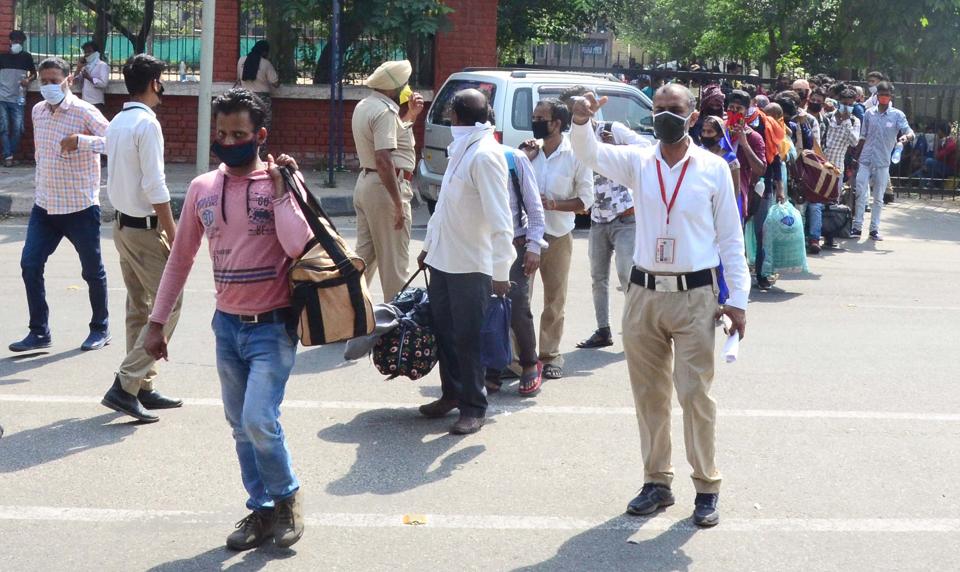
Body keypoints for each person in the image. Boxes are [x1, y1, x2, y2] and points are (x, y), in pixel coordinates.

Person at [569, 84, 749, 528]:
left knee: (694, 394)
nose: (666, 115)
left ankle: (706, 486)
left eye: (675, 108)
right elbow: (589, 153)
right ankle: (656, 481)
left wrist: (738, 300)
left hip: (695, 296)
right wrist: (581, 120)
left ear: (693, 116)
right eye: (660, 109)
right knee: (649, 395)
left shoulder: (713, 168)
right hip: (643, 294)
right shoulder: (639, 161)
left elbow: (730, 238)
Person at [144, 89, 312, 551]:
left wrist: (282, 191)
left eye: (239, 134)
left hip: (273, 326)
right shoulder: (202, 189)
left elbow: (297, 245)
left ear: (260, 135)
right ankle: (261, 509)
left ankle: (287, 498)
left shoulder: (280, 181)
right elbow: (180, 259)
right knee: (240, 425)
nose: (229, 142)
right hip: (228, 326)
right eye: (221, 133)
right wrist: (157, 322)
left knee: (259, 419)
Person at [415, 88, 514, 435]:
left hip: (472, 266)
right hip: (444, 260)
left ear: (455, 117)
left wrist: (501, 271)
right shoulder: (463, 148)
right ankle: (452, 394)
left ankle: (474, 407)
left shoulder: (485, 155)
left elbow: (501, 219)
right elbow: (444, 207)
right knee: (445, 332)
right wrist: (429, 246)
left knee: (469, 339)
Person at [98, 54, 182, 423]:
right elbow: (155, 185)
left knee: (139, 307)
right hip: (145, 231)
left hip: (122, 228)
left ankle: (141, 386)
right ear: (153, 83)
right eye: (161, 80)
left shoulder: (118, 121)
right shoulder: (146, 124)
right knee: (169, 304)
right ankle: (125, 383)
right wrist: (174, 233)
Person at [9, 57, 110, 353]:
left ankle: (100, 328)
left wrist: (82, 141)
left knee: (92, 271)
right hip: (45, 206)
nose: (49, 86)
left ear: (69, 80)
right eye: (44, 81)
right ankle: (39, 331)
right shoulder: (38, 111)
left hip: (79, 206)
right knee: (30, 265)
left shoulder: (84, 111)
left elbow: (116, 140)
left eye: (54, 81)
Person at [558, 85, 647, 350]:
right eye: (573, 108)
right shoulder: (572, 140)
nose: (579, 111)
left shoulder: (612, 130)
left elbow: (646, 149)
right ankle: (603, 330)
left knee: (627, 274)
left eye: (583, 105)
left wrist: (617, 149)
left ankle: (638, 331)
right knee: (598, 278)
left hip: (626, 216)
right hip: (597, 218)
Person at [523, 98, 594, 379]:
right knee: (519, 299)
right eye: (534, 117)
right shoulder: (529, 151)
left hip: (558, 235)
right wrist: (524, 158)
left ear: (557, 123)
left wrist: (553, 204)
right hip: (526, 235)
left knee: (554, 299)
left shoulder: (575, 155)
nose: (535, 122)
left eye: (541, 118)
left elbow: (585, 201)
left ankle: (550, 355)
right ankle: (516, 359)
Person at [485, 141, 546, 397]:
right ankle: (492, 368)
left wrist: (534, 247)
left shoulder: (514, 159)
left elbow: (535, 208)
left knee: (517, 304)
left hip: (515, 243)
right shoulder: (465, 155)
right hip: (480, 247)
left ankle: (530, 363)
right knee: (487, 308)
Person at [351, 60, 415, 301]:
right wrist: (398, 204)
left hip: (366, 184)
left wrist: (411, 115)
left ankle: (350, 312)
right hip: (384, 188)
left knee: (364, 260)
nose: (406, 87)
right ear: (393, 86)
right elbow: (384, 160)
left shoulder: (365, 105)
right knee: (395, 266)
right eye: (404, 83)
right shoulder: (385, 111)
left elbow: (393, 140)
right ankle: (397, 319)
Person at [851, 81, 914, 241]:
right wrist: (855, 157)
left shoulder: (897, 115)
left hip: (883, 162)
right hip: (865, 159)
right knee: (860, 192)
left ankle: (874, 229)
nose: (884, 97)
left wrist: (905, 138)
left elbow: (909, 132)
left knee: (878, 197)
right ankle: (857, 227)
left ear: (891, 96)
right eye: (881, 94)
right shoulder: (869, 113)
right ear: (877, 96)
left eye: (887, 95)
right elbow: (863, 136)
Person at [819, 87, 861, 249]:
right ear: (839, 103)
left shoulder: (854, 122)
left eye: (850, 104)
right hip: (821, 165)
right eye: (844, 104)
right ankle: (814, 234)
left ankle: (829, 237)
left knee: (833, 203)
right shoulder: (827, 117)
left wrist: (846, 122)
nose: (847, 107)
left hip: (837, 168)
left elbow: (854, 142)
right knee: (817, 200)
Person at [0, 30, 37, 167]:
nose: (17, 44)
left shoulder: (26, 57)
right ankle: (8, 156)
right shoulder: (2, 57)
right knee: (4, 128)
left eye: (20, 42)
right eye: (15, 41)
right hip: (2, 98)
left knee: (18, 129)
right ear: (10, 41)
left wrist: (28, 79)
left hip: (18, 98)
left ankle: (9, 153)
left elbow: (34, 74)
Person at [236, 40, 279, 130]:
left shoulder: (241, 60)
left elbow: (239, 79)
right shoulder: (266, 63)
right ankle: (261, 140)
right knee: (263, 126)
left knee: (247, 125)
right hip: (262, 99)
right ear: (264, 52)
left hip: (245, 97)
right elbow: (275, 83)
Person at [913, 121, 956, 186]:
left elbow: (937, 156)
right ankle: (908, 182)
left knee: (928, 161)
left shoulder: (951, 143)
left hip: (949, 168)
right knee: (921, 171)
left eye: (938, 131)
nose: (937, 133)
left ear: (941, 131)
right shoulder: (944, 141)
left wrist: (936, 144)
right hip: (941, 165)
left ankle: (934, 184)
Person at [74, 41, 109, 113]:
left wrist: (89, 78)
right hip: (84, 101)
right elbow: (75, 81)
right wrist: (78, 68)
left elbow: (103, 84)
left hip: (96, 102)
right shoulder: (85, 66)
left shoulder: (102, 65)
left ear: (96, 52)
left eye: (89, 51)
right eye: (85, 52)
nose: (87, 54)